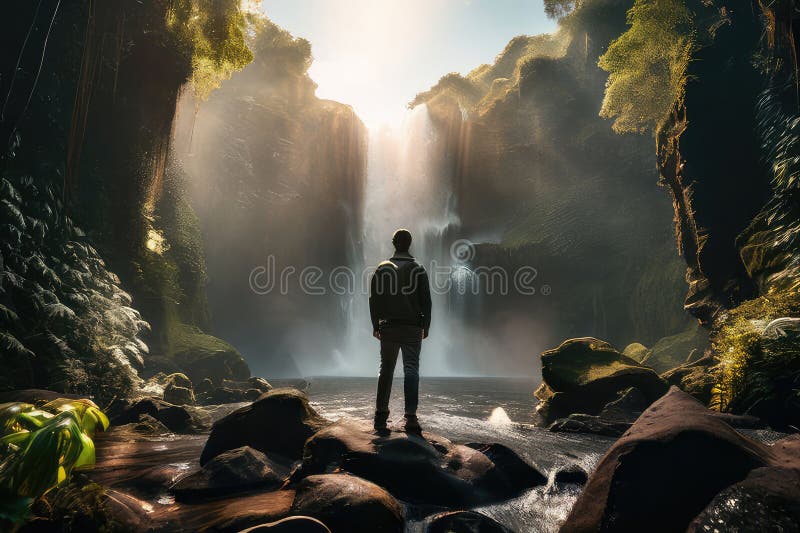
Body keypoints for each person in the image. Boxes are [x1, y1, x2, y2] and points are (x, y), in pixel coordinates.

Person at [369, 228, 432, 433]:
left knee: (385, 369)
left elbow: (374, 299)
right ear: (410, 244)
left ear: (394, 243)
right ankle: (411, 417)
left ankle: (380, 415)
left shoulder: (382, 268)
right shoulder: (419, 269)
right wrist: (426, 325)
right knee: (411, 369)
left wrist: (375, 324)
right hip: (413, 327)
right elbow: (426, 301)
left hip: (388, 326)